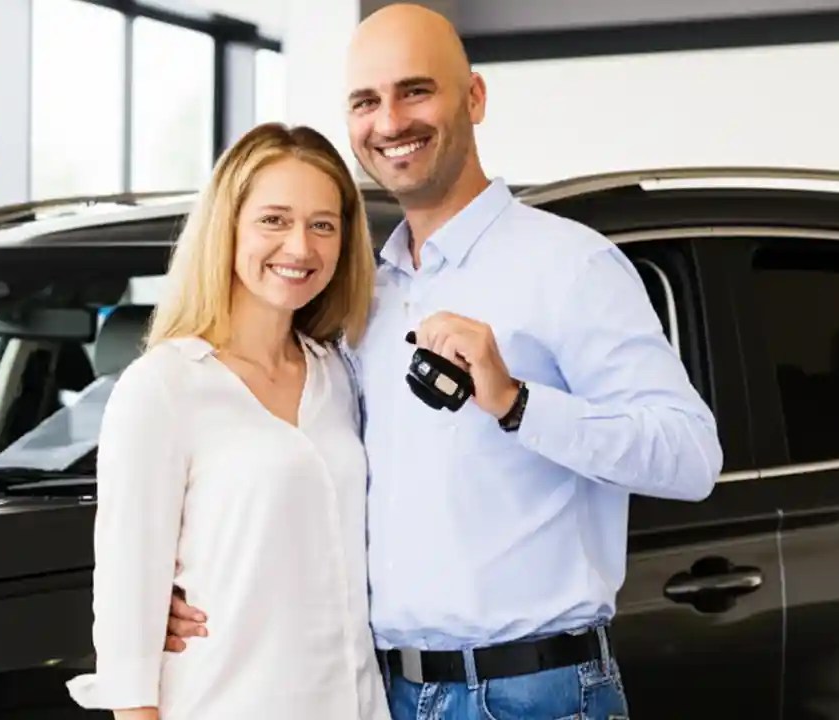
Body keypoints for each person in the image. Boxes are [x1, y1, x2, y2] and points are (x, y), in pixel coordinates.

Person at [165, 4, 724, 719]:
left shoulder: (570, 265)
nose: (390, 121)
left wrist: (517, 403)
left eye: (415, 91)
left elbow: (691, 457)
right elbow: (301, 474)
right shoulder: (361, 295)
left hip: (535, 697)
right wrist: (193, 583)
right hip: (382, 692)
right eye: (366, 101)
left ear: (474, 98)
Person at [64, 122, 392, 720]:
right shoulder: (164, 387)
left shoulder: (339, 375)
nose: (300, 247)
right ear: (228, 226)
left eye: (322, 225)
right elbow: (127, 603)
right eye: (274, 220)